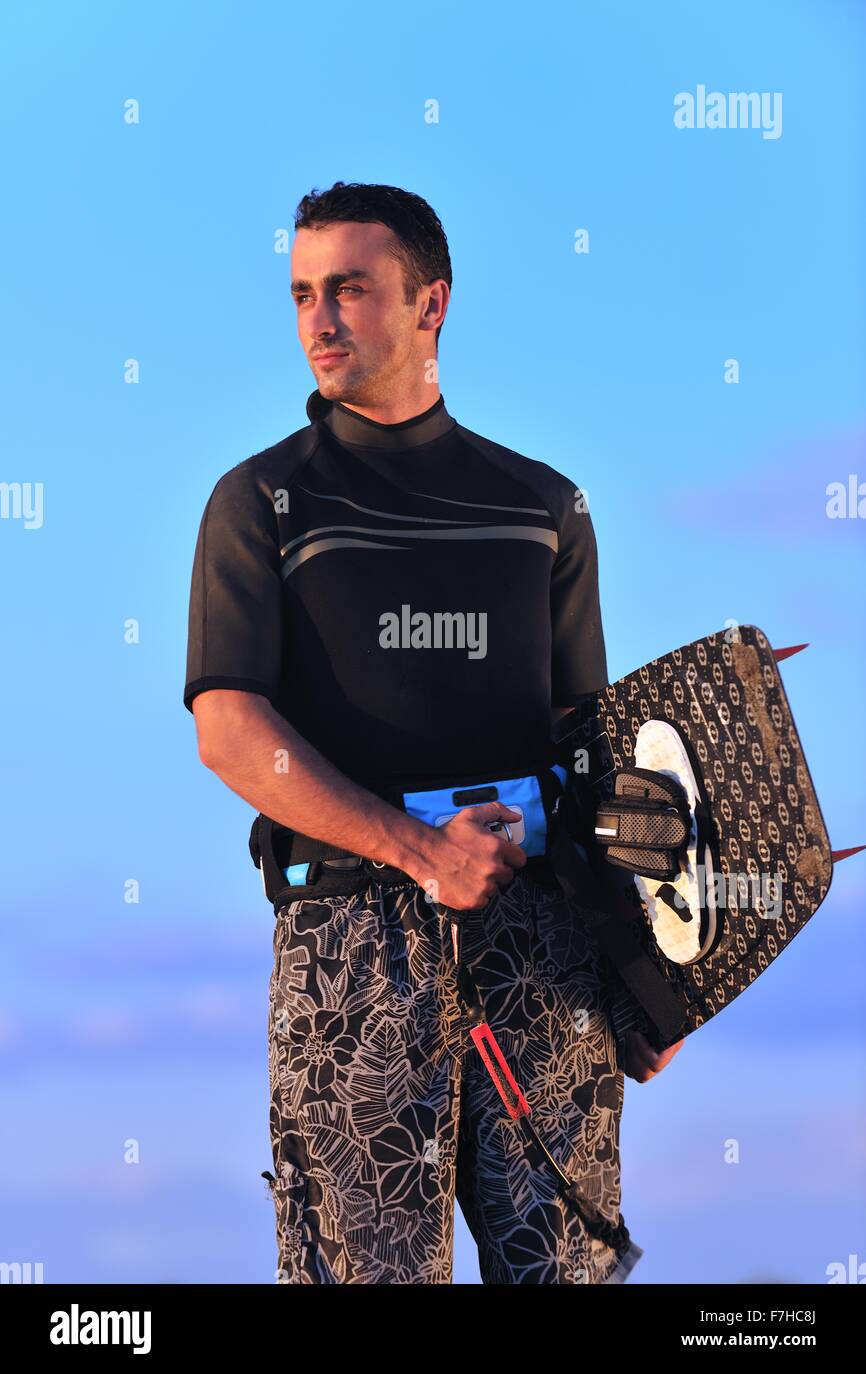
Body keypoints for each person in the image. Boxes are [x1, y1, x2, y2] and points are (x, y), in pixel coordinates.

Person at [183, 181, 683, 1285]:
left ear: (429, 303)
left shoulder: (542, 506)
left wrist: (647, 976)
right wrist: (415, 849)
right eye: (302, 293)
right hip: (351, 948)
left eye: (350, 290)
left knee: (564, 1272)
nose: (318, 318)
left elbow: (582, 751)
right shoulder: (262, 501)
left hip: (541, 945)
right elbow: (230, 729)